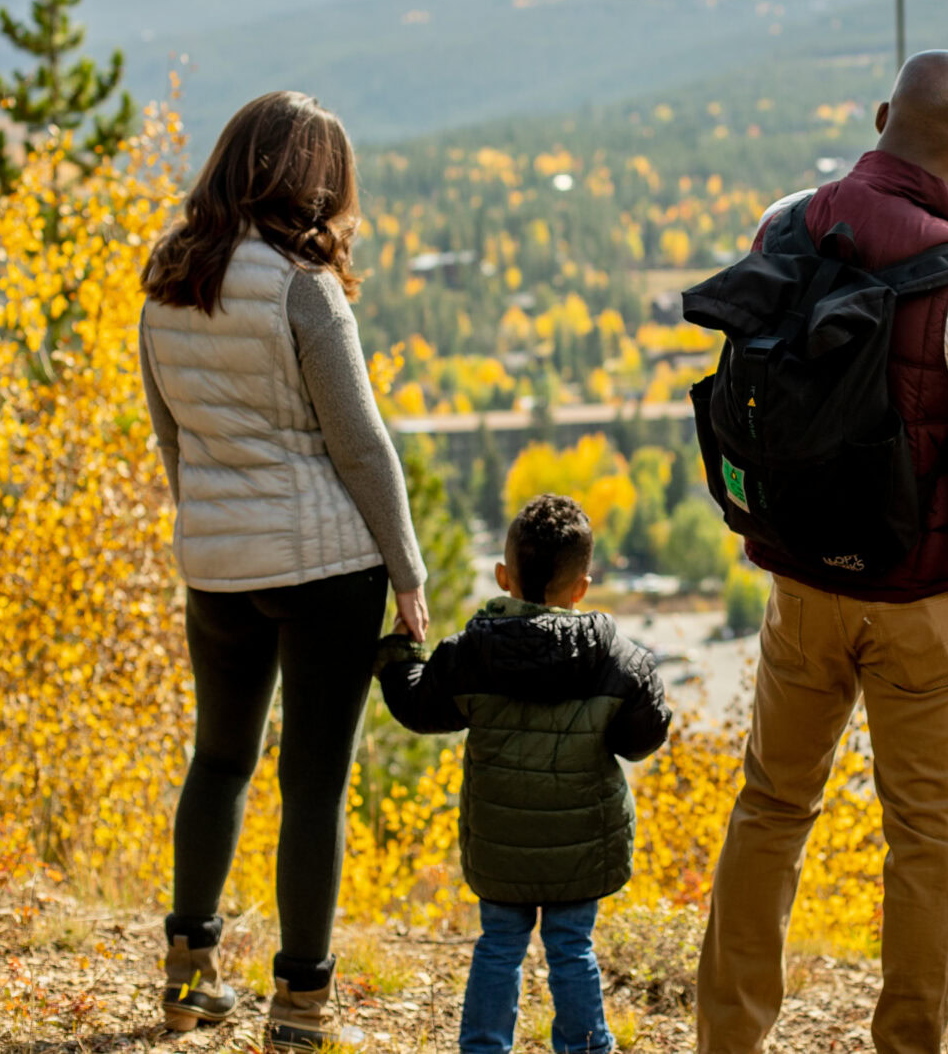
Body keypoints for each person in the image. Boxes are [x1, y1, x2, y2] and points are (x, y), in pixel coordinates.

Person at [696, 50, 948, 1054]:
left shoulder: (783, 223)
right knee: (926, 838)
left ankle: (727, 1040)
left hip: (803, 581)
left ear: (881, 110)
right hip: (928, 602)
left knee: (771, 806)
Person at [138, 90, 430, 1052]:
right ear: (312, 186)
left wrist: (215, 529)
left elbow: (174, 441)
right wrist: (408, 569)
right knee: (313, 784)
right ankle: (301, 1003)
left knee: (218, 760)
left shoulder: (167, 286)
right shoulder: (305, 290)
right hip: (325, 567)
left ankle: (189, 975)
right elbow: (362, 445)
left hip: (217, 562)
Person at [376, 494, 673, 1054]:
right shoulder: (617, 660)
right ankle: (586, 1047)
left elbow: (418, 708)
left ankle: (484, 1047)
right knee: (572, 946)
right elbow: (641, 741)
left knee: (499, 945)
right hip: (581, 843)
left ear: (503, 577)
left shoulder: (471, 654)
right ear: (582, 587)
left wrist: (401, 651)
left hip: (500, 842)